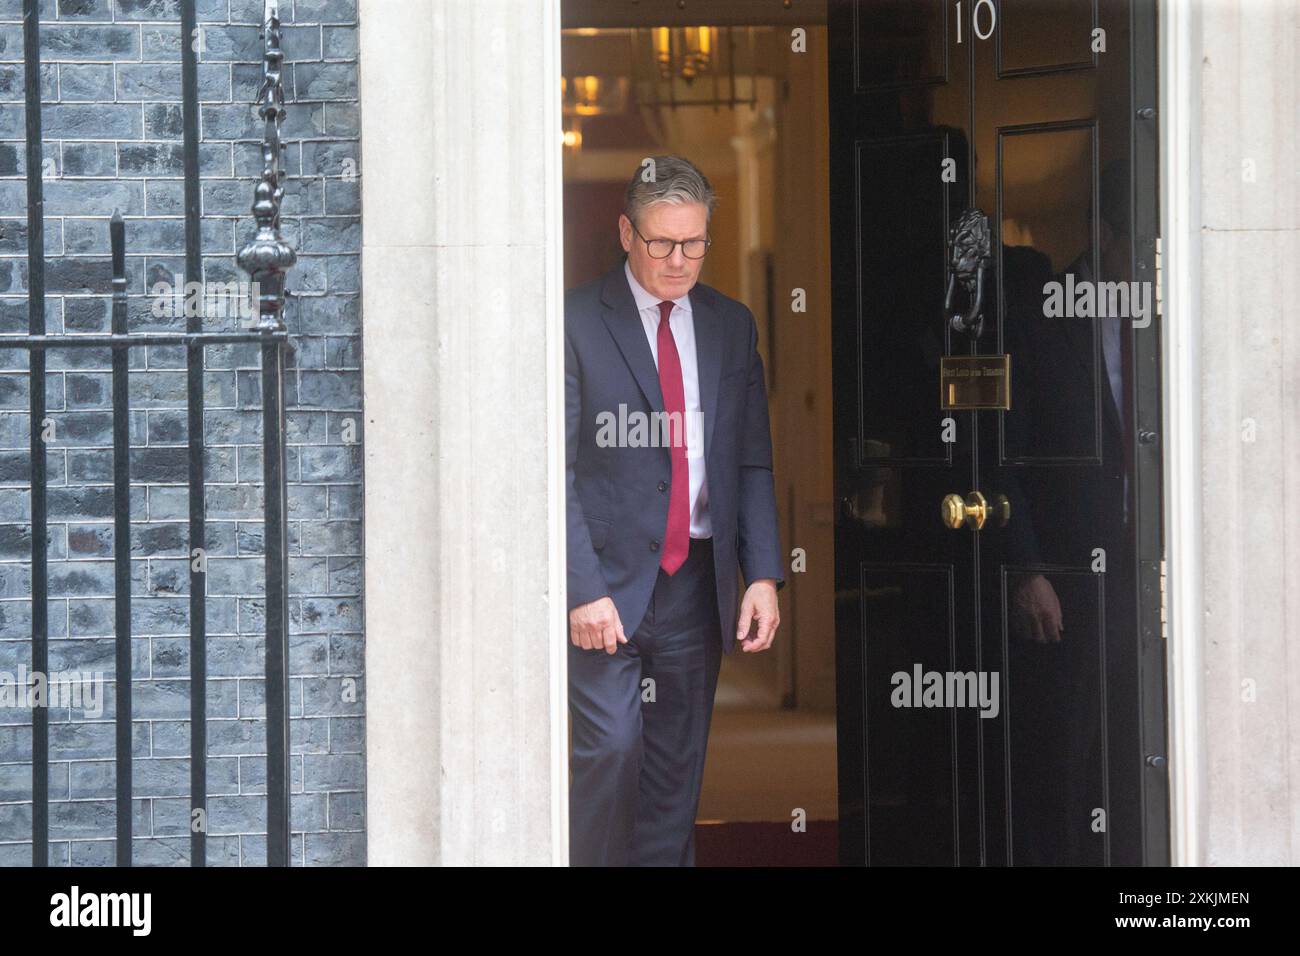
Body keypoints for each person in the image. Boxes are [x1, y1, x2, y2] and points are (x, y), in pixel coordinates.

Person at [564, 155, 785, 866]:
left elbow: (750, 457)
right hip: (607, 587)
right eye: (662, 242)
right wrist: (582, 590)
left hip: (695, 583)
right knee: (610, 750)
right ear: (627, 231)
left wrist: (762, 574)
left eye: (694, 243)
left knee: (674, 780)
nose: (679, 259)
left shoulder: (729, 325)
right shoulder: (574, 322)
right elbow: (555, 470)